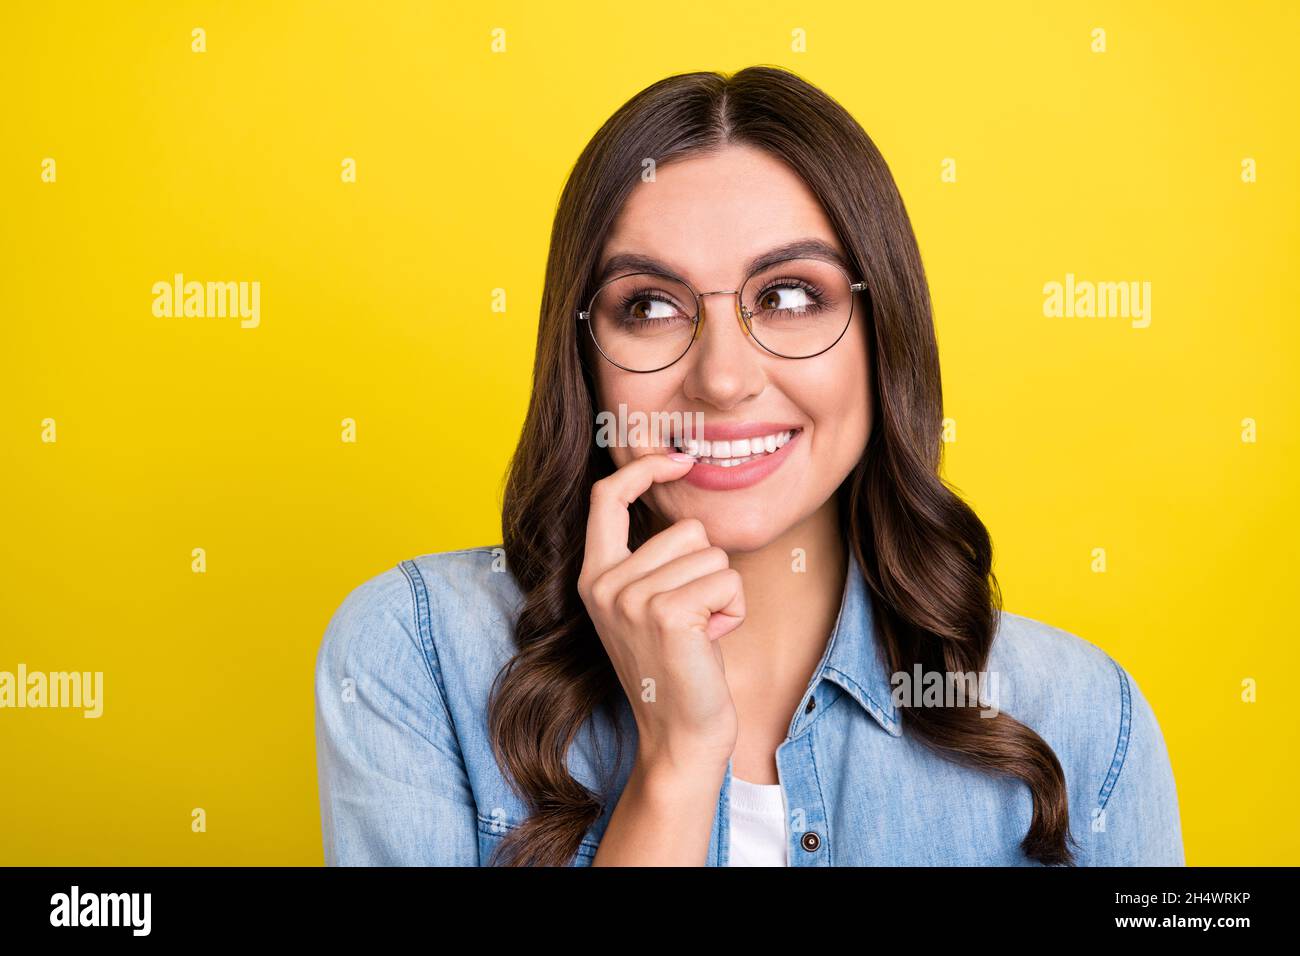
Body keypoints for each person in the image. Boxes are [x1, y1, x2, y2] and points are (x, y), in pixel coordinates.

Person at [314, 65, 1184, 867]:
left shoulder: (1082, 720)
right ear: (583, 356)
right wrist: (677, 763)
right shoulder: (418, 655)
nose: (723, 380)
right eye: (650, 306)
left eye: (793, 296)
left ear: (884, 339)